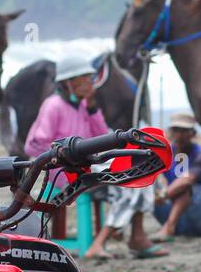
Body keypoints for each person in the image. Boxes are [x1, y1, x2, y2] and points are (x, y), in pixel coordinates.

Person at [26, 56, 165, 258]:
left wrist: (92, 109)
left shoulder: (83, 107)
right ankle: (104, 241)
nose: (90, 84)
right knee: (130, 184)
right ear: (68, 82)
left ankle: (135, 235)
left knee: (139, 176)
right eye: (85, 78)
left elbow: (103, 138)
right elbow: (36, 144)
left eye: (90, 78)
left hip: (87, 168)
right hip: (65, 174)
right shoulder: (53, 105)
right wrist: (64, 160)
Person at [150, 112, 201, 241]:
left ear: (193, 133)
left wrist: (163, 195)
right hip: (179, 219)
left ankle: (169, 228)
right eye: (176, 130)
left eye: (184, 131)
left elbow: (187, 180)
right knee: (144, 185)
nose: (179, 135)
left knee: (185, 186)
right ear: (171, 132)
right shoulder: (166, 153)